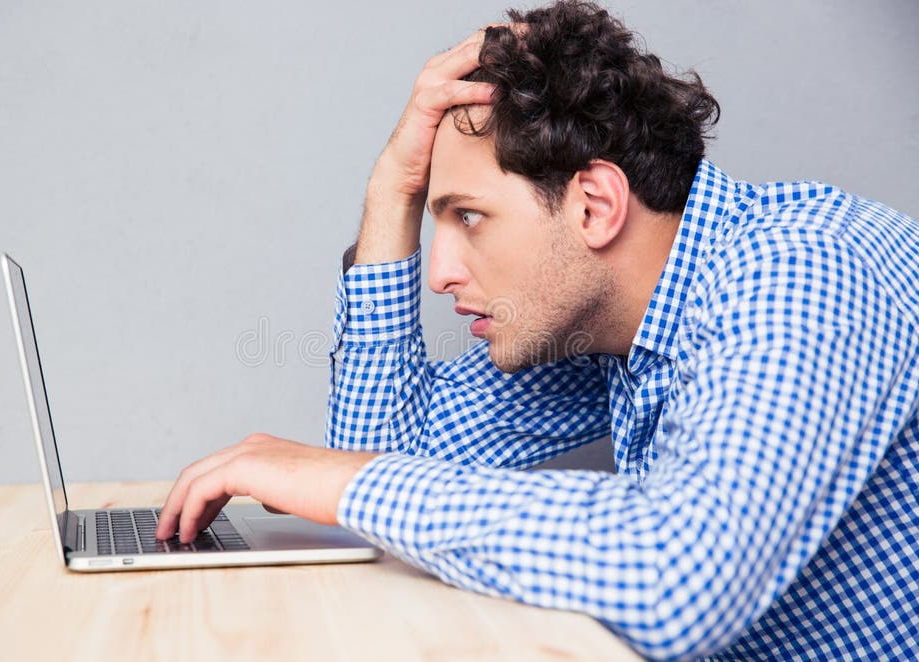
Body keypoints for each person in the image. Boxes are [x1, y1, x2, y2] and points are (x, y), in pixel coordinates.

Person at [155, 1, 919, 658]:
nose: (439, 272)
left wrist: (344, 479)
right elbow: (383, 467)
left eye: (469, 217)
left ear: (594, 206)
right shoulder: (610, 319)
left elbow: (681, 580)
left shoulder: (806, 267)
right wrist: (393, 190)